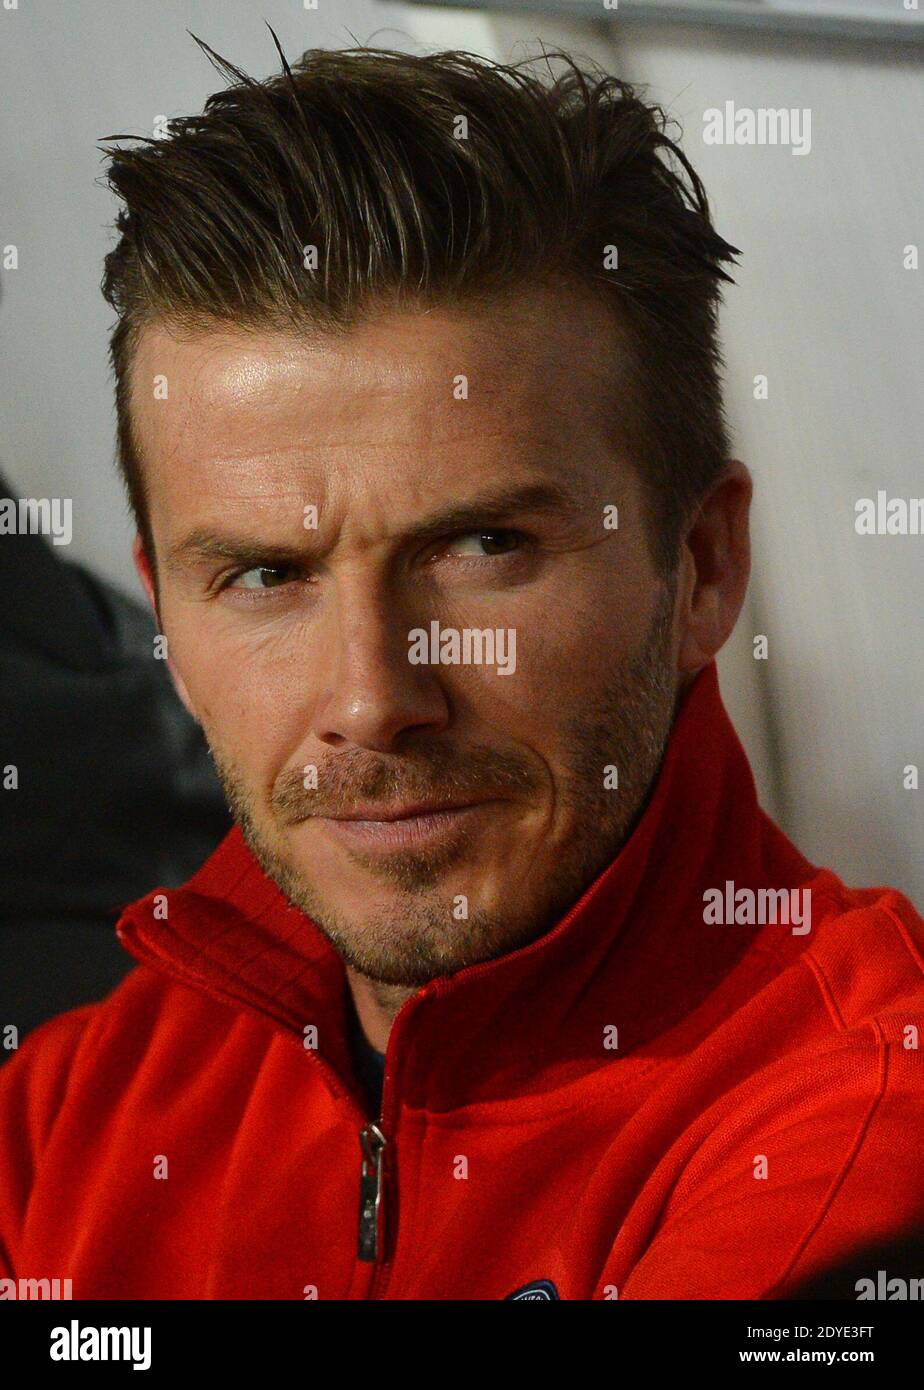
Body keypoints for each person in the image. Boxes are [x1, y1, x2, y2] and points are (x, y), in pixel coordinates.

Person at [1, 37, 921, 1302]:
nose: (374, 698)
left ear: (701, 567)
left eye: (484, 545)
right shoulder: (69, 1112)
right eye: (267, 576)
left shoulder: (862, 1122)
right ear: (164, 611)